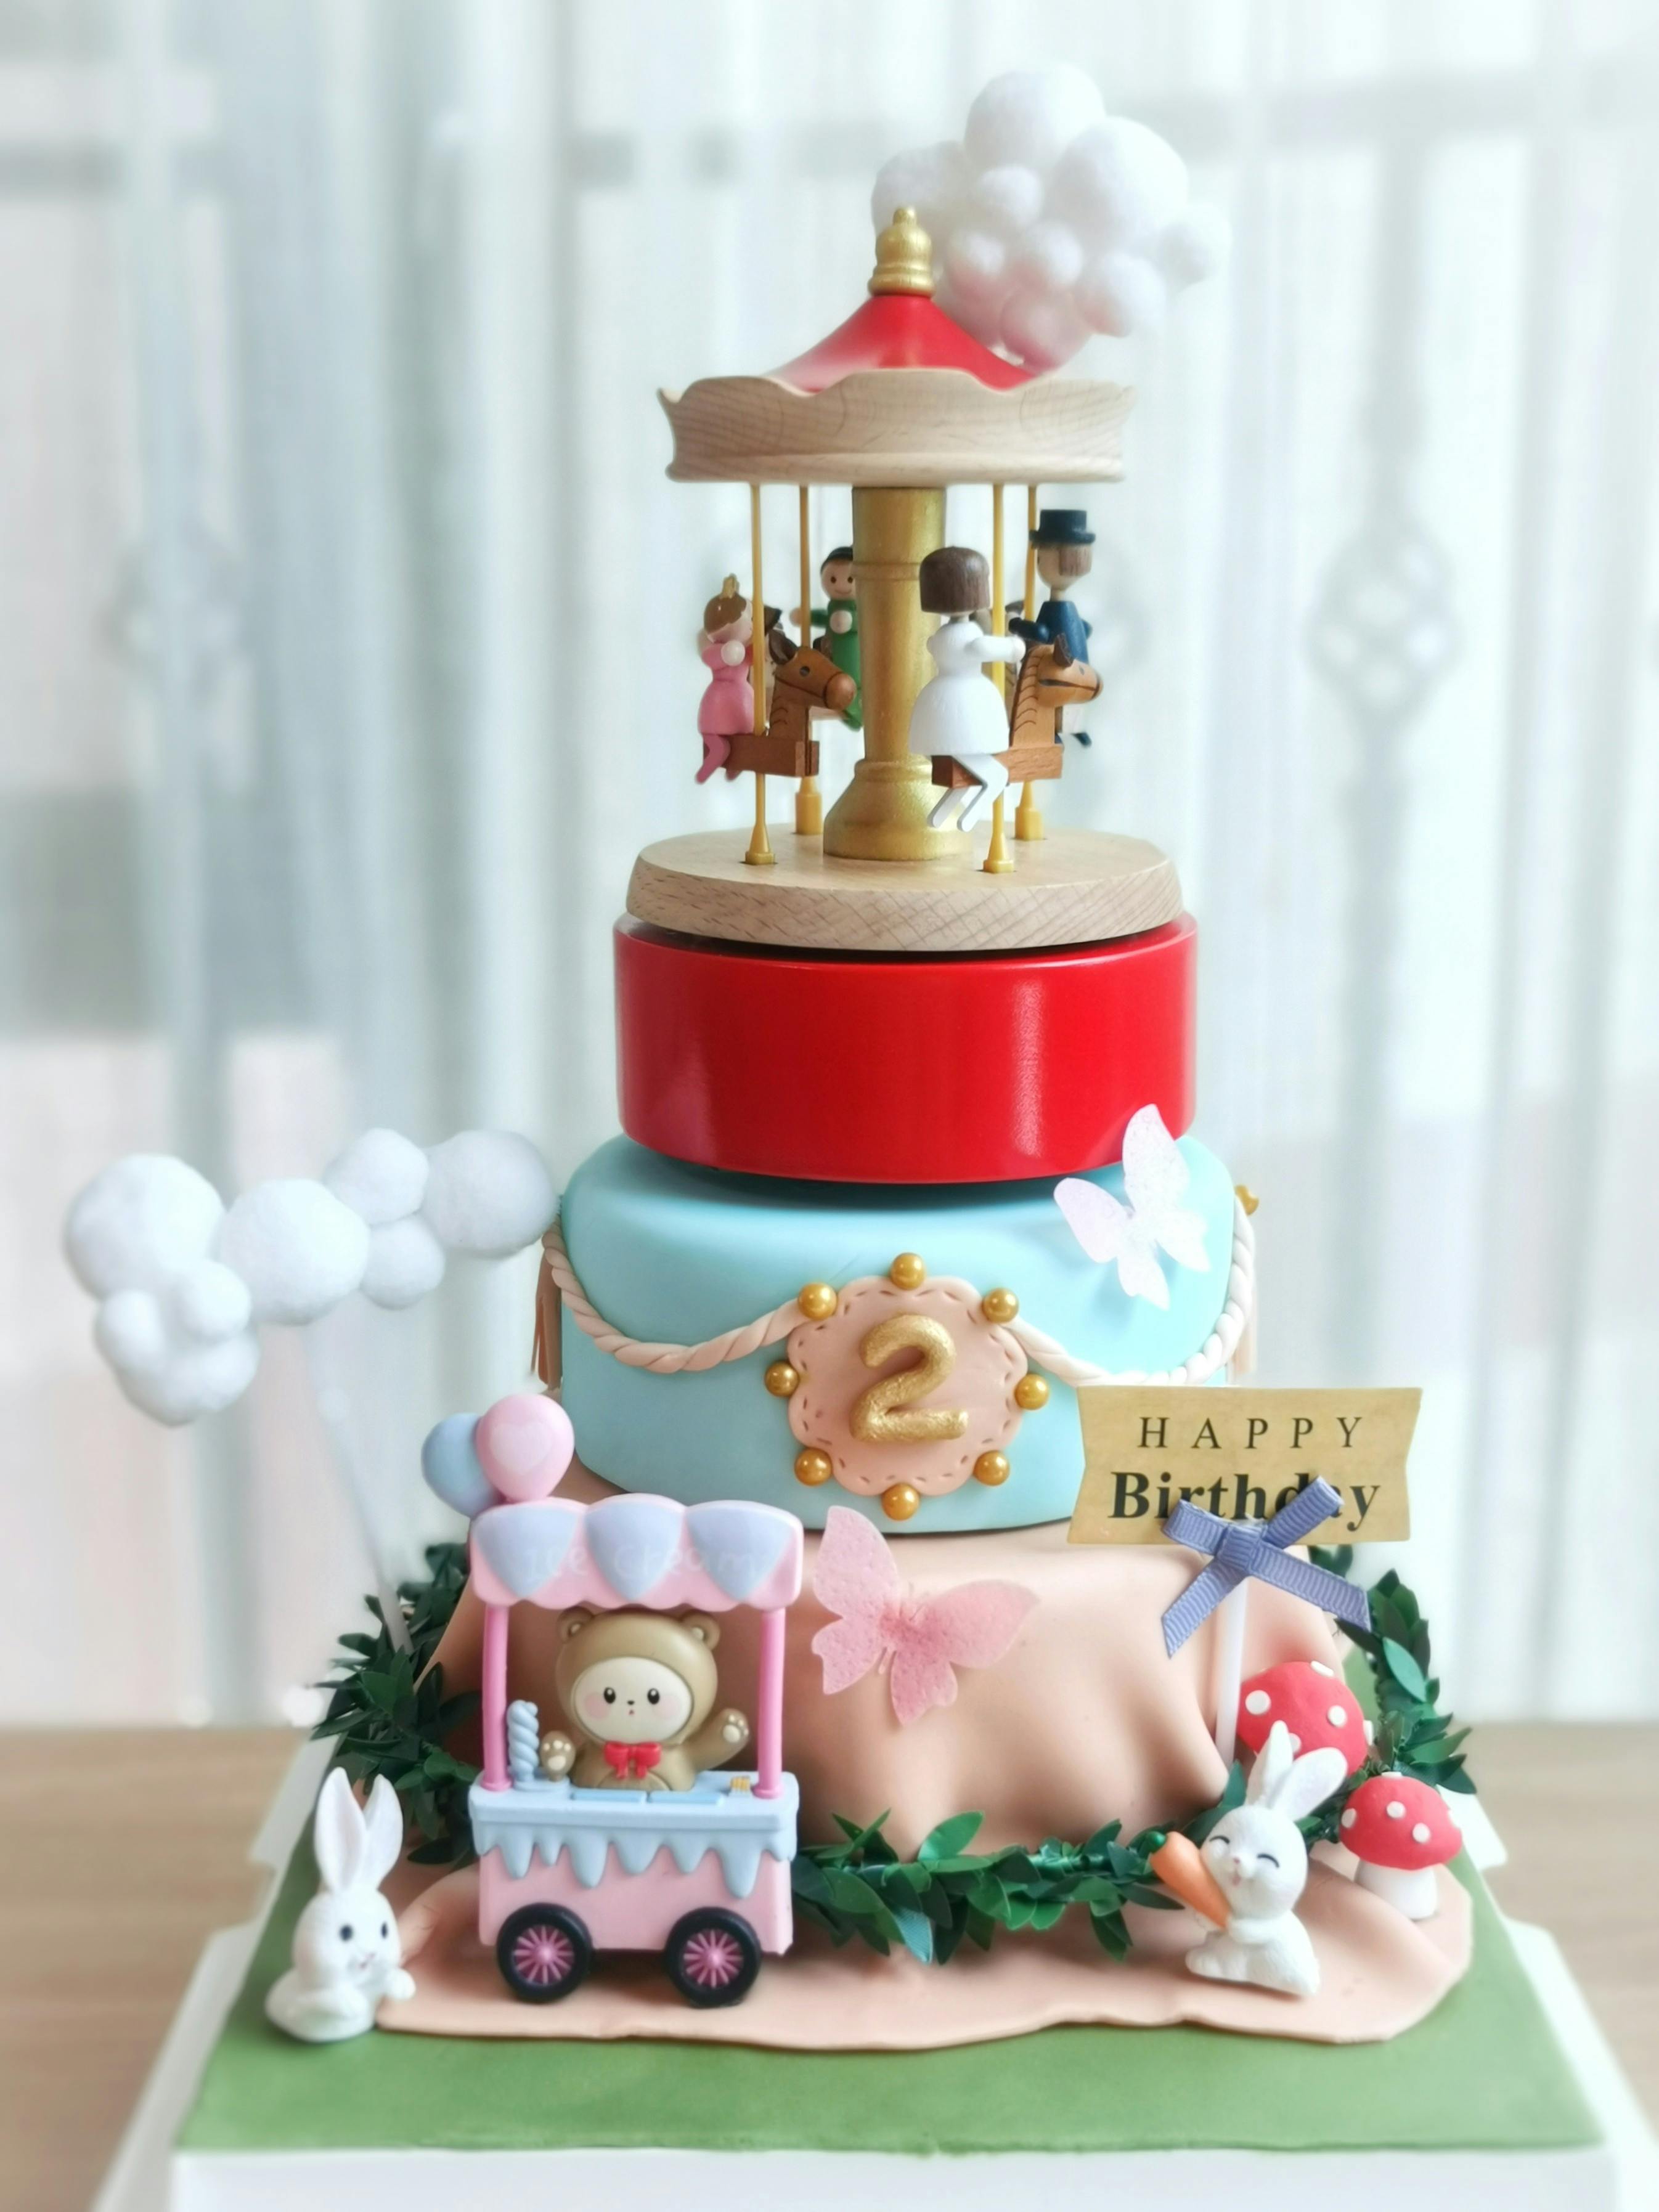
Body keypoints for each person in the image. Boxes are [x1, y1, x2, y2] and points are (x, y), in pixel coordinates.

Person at [908, 547, 1024, 831]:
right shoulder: (971, 638)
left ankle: (964, 796)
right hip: (969, 701)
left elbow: (934, 646)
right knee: (964, 747)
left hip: (939, 697)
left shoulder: (940, 637)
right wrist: (1015, 646)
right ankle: (986, 788)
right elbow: (996, 648)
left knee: (954, 748)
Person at [1009, 508, 1094, 745]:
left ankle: (1061, 729)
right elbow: (1083, 629)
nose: (1039, 563)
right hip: (1077, 668)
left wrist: (1016, 624)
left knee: (1059, 694)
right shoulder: (1069, 611)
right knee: (1069, 695)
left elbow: (1042, 634)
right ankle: (1066, 728)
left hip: (1060, 670)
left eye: (1040, 558)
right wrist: (1080, 631)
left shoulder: (1058, 610)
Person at [793, 545, 862, 728]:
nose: (841, 585)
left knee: (851, 680)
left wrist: (852, 622)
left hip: (853, 659)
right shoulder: (833, 608)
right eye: (833, 579)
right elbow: (824, 618)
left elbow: (864, 622)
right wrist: (807, 617)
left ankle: (854, 706)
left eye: (849, 579)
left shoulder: (861, 609)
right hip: (831, 657)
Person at [695, 575, 754, 783]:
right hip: (721, 698)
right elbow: (709, 658)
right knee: (712, 730)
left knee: (744, 736)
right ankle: (717, 752)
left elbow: (756, 657)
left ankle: (733, 762)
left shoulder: (746, 650)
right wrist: (725, 654)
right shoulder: (716, 650)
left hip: (740, 700)